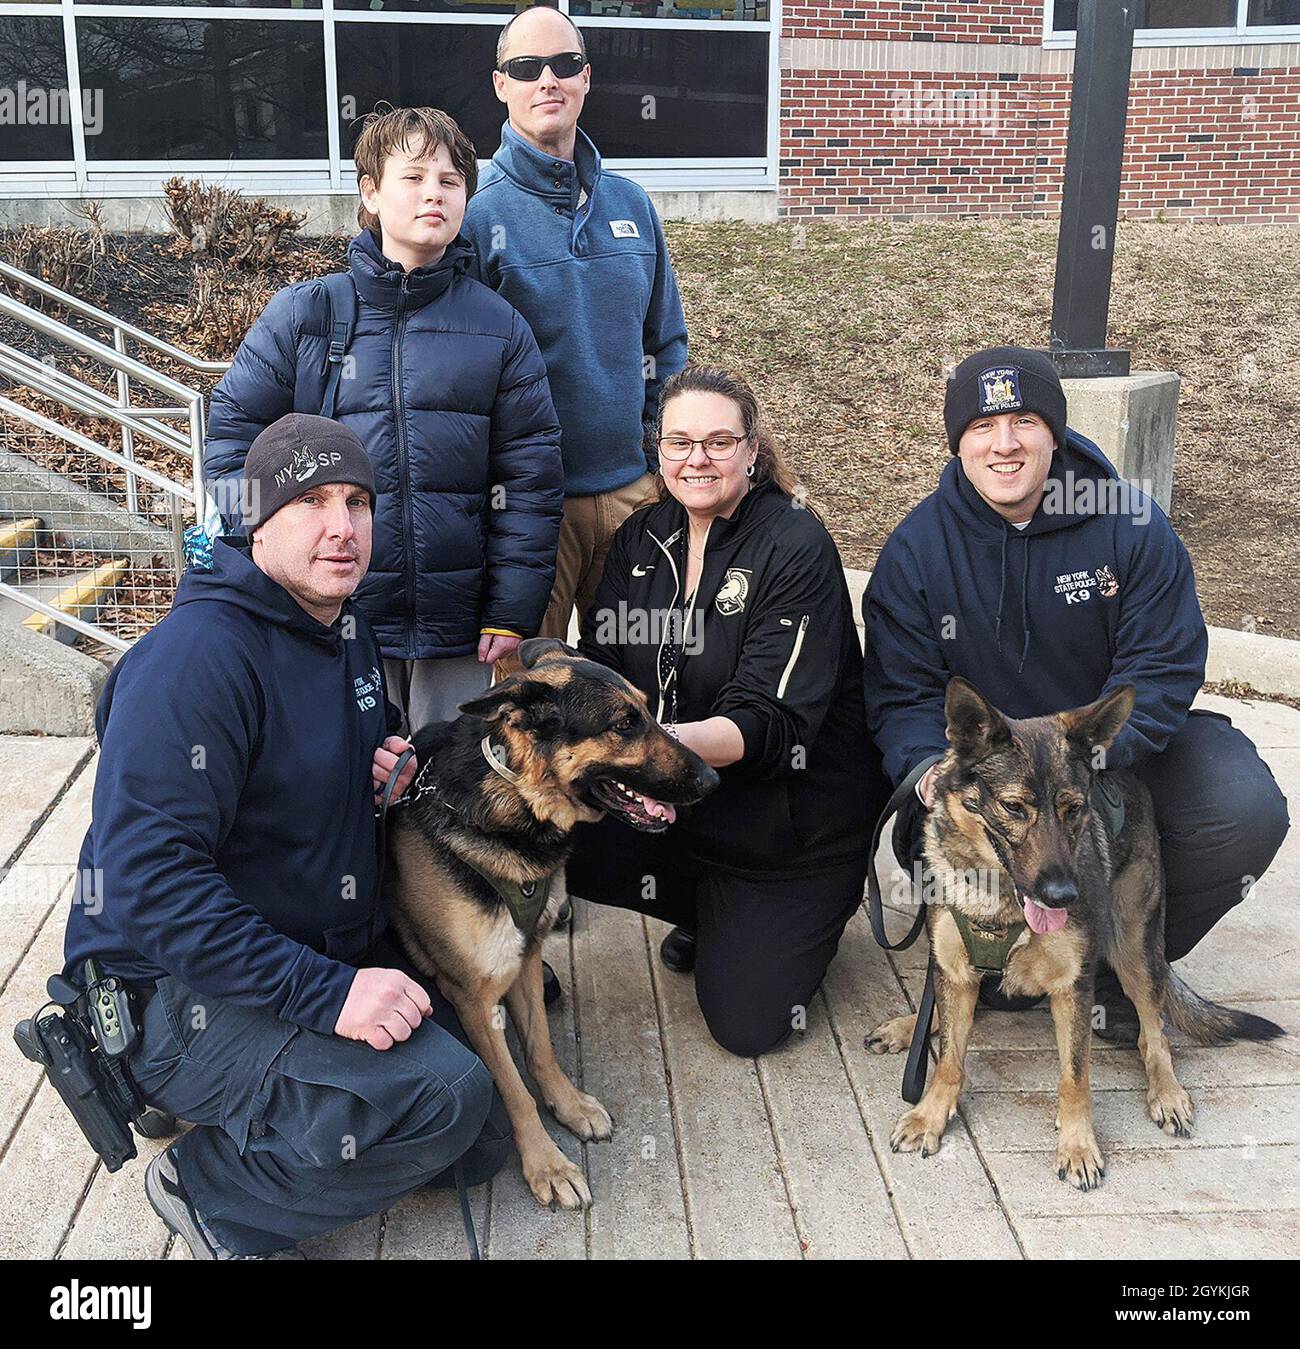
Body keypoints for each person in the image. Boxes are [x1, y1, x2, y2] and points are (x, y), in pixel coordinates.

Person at [63, 415, 510, 1259]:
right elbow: (149, 887)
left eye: (357, 501)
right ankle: (206, 1190)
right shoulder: (195, 660)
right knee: (443, 1098)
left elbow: (336, 760)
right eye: (310, 502)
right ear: (256, 521)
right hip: (166, 987)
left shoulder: (345, 626)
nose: (343, 527)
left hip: (296, 941)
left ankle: (274, 1104)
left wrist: (384, 777)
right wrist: (331, 996)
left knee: (476, 1132)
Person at [862, 345, 1290, 1038]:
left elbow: (1163, 668)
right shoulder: (916, 549)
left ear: (1054, 433)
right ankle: (1002, 967)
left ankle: (1114, 966)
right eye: (981, 427)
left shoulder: (1129, 524)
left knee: (1242, 803)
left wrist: (1085, 758)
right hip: (986, 776)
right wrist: (926, 768)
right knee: (938, 826)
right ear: (958, 442)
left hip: (1105, 759)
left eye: (1024, 421)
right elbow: (898, 693)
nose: (1004, 444)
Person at [204, 104, 563, 731]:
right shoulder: (304, 315)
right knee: (337, 796)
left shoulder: (499, 325)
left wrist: (511, 611)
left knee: (441, 801)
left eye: (451, 181)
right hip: (328, 618)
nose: (434, 194)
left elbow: (529, 481)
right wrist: (268, 565)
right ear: (370, 191)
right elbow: (234, 441)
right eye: (414, 176)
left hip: (458, 631)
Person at [566, 366, 889, 1058]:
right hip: (682, 802)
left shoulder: (794, 544)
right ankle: (701, 905)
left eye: (718, 441)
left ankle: (782, 915)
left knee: (746, 1026)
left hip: (789, 834)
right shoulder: (640, 539)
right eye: (680, 442)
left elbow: (768, 726)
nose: (697, 458)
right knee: (538, 809)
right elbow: (602, 670)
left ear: (752, 450)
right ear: (657, 451)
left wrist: (645, 751)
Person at [462, 5, 687, 644]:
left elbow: (665, 344)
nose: (547, 81)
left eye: (563, 65)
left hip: (632, 495)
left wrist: (653, 458)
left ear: (586, 78)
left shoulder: (632, 206)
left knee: (642, 680)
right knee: (533, 696)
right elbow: (465, 374)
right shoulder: (477, 216)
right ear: (501, 85)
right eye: (527, 68)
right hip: (533, 511)